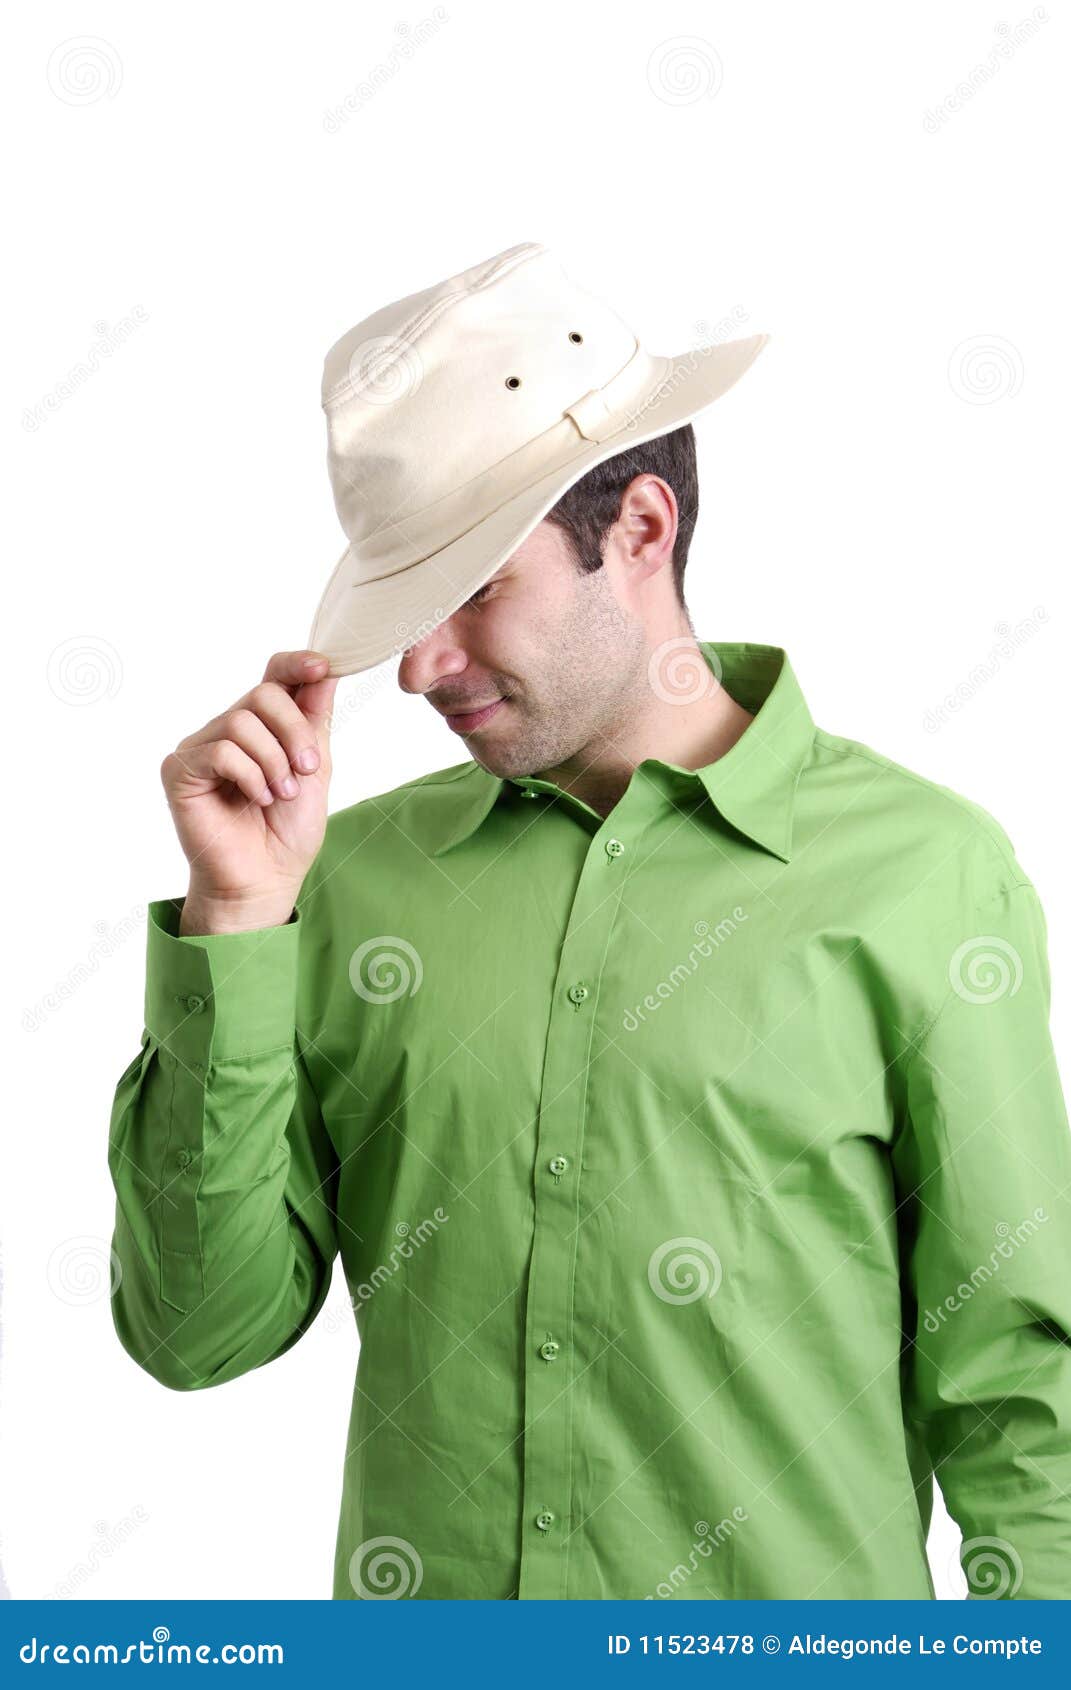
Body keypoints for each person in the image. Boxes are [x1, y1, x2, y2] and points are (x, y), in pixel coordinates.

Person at [107, 247, 1071, 1602]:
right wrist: (236, 924)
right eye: (403, 607)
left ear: (639, 531)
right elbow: (196, 1333)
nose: (423, 665)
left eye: (475, 590)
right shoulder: (345, 884)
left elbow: (1023, 1385)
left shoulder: (921, 876)